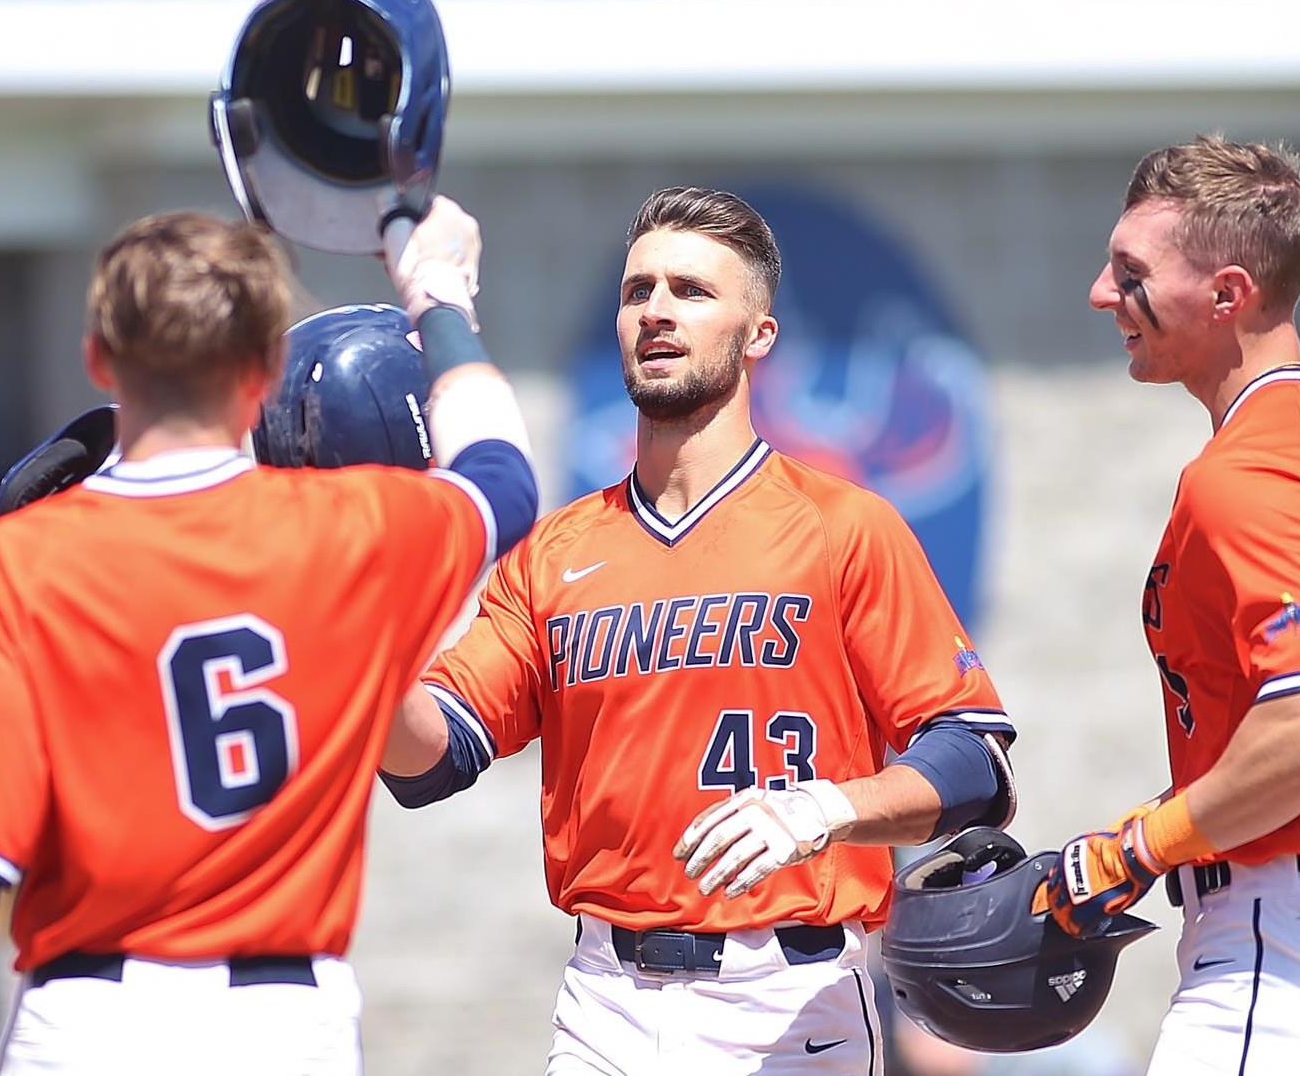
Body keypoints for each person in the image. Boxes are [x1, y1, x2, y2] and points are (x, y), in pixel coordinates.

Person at [0, 197, 539, 1076]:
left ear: (99, 360)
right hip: (281, 1027)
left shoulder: (30, 553)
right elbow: (502, 472)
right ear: (265, 366)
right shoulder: (355, 528)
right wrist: (440, 297)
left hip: (88, 1022)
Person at [377, 186, 1018, 1075]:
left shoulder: (842, 525)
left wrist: (829, 808)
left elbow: (975, 759)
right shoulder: (556, 549)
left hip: (792, 998)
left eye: (692, 290)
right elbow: (431, 755)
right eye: (639, 290)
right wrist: (360, 648)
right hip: (606, 997)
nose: (658, 311)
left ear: (759, 335)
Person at [1035, 135, 1300, 1074]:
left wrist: (1142, 846)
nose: (1102, 294)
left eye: (1130, 271)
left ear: (1228, 294)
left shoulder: (1251, 465)